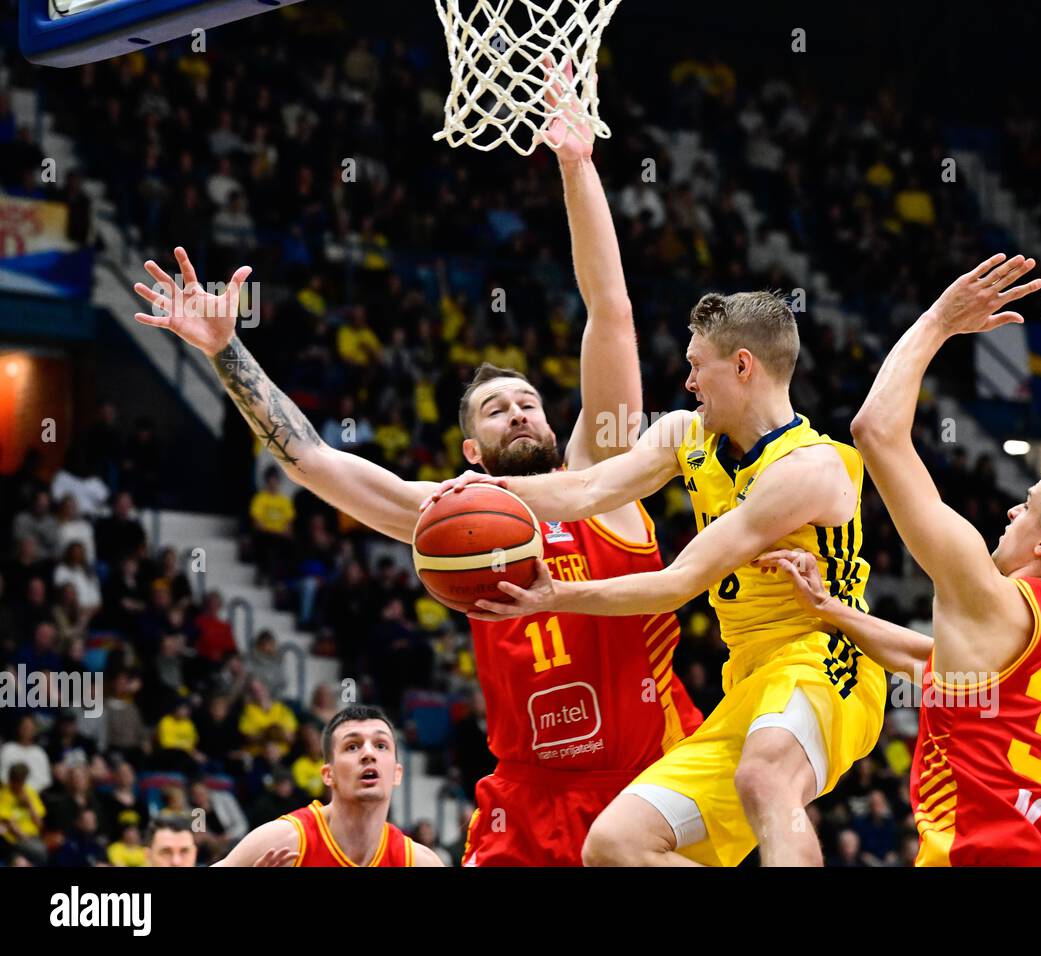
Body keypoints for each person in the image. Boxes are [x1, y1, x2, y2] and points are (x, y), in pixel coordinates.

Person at [131, 67, 701, 867]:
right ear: (471, 450)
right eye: (497, 410)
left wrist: (577, 165)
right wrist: (228, 353)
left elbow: (610, 309)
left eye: (530, 401)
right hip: (527, 794)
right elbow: (312, 461)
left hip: (645, 781)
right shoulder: (451, 516)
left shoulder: (601, 476)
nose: (522, 413)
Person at [431, 290, 887, 866]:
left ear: (742, 366)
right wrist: (491, 489)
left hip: (826, 658)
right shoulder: (685, 435)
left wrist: (557, 595)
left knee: (766, 777)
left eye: (697, 366)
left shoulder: (810, 468)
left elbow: (679, 582)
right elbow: (587, 488)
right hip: (746, 680)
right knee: (616, 845)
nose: (689, 382)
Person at [762, 254, 1041, 865]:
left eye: (1027, 506)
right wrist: (832, 610)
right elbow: (930, 663)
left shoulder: (988, 595)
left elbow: (876, 431)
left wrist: (939, 320)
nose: (1013, 514)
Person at [212, 706, 441, 866]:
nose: (369, 754)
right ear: (328, 774)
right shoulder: (282, 843)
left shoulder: (418, 861)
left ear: (397, 774)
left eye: (381, 745)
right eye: (352, 746)